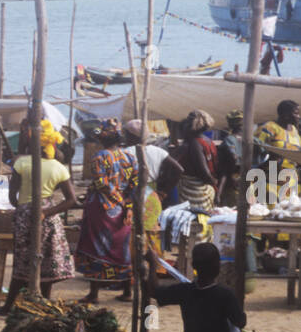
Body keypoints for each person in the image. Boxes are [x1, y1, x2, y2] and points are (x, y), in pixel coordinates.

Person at [2, 118, 77, 312]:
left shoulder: (21, 164)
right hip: (49, 218)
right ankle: (43, 304)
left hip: (24, 216)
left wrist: (23, 209)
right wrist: (47, 212)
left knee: (21, 263)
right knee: (47, 262)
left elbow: (12, 196)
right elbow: (71, 200)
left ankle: (8, 306)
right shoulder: (59, 168)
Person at [76, 118, 137, 304]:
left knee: (95, 246)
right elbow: (134, 185)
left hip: (101, 209)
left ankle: (94, 293)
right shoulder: (130, 157)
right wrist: (127, 206)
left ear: (102, 138)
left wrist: (118, 201)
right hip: (123, 211)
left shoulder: (99, 157)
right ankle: (127, 291)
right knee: (122, 247)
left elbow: (102, 184)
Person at [123, 118, 183, 257]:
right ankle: (154, 267)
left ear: (131, 135)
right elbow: (178, 170)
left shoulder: (125, 152)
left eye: (126, 134)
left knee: (132, 232)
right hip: (152, 196)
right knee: (151, 232)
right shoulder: (158, 151)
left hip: (132, 196)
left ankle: (134, 266)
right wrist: (163, 192)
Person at [254, 99, 301, 204]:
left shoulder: (295, 132)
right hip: (270, 181)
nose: (298, 117)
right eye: (296, 113)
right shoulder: (269, 128)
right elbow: (255, 149)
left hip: (291, 183)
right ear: (285, 114)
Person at [176, 110, 219, 211]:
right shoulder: (208, 141)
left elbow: (204, 171)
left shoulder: (195, 144)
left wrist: (212, 182)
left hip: (195, 191)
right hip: (206, 187)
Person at [214, 110, 243, 206]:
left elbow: (225, 170)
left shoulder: (229, 141)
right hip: (239, 185)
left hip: (235, 184)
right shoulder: (248, 140)